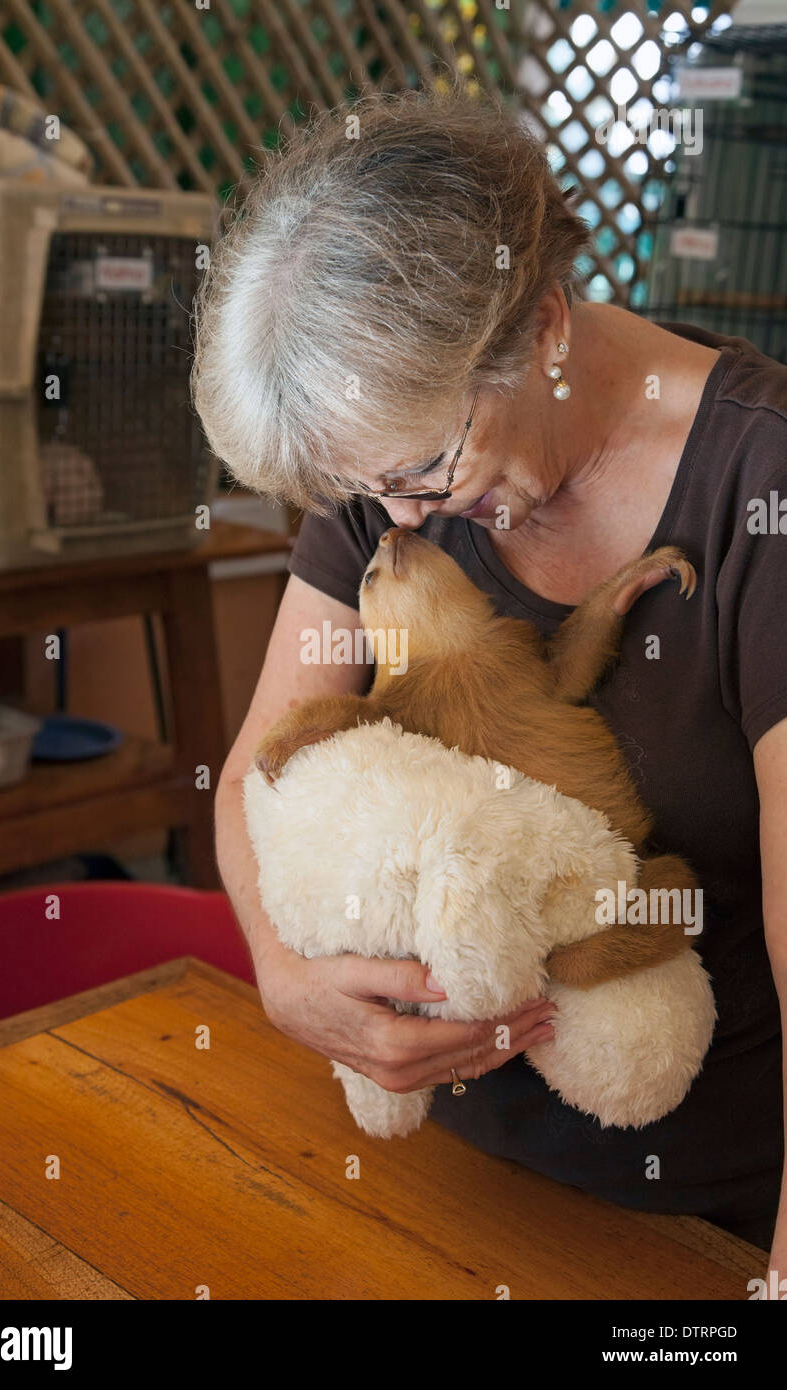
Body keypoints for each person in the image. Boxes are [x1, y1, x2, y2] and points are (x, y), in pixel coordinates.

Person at [191, 87, 787, 1266]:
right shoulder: (391, 481)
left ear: (545, 325)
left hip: (699, 1222)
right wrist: (279, 973)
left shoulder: (755, 488)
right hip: (431, 1178)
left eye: (422, 466)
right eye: (368, 494)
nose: (400, 520)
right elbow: (252, 775)